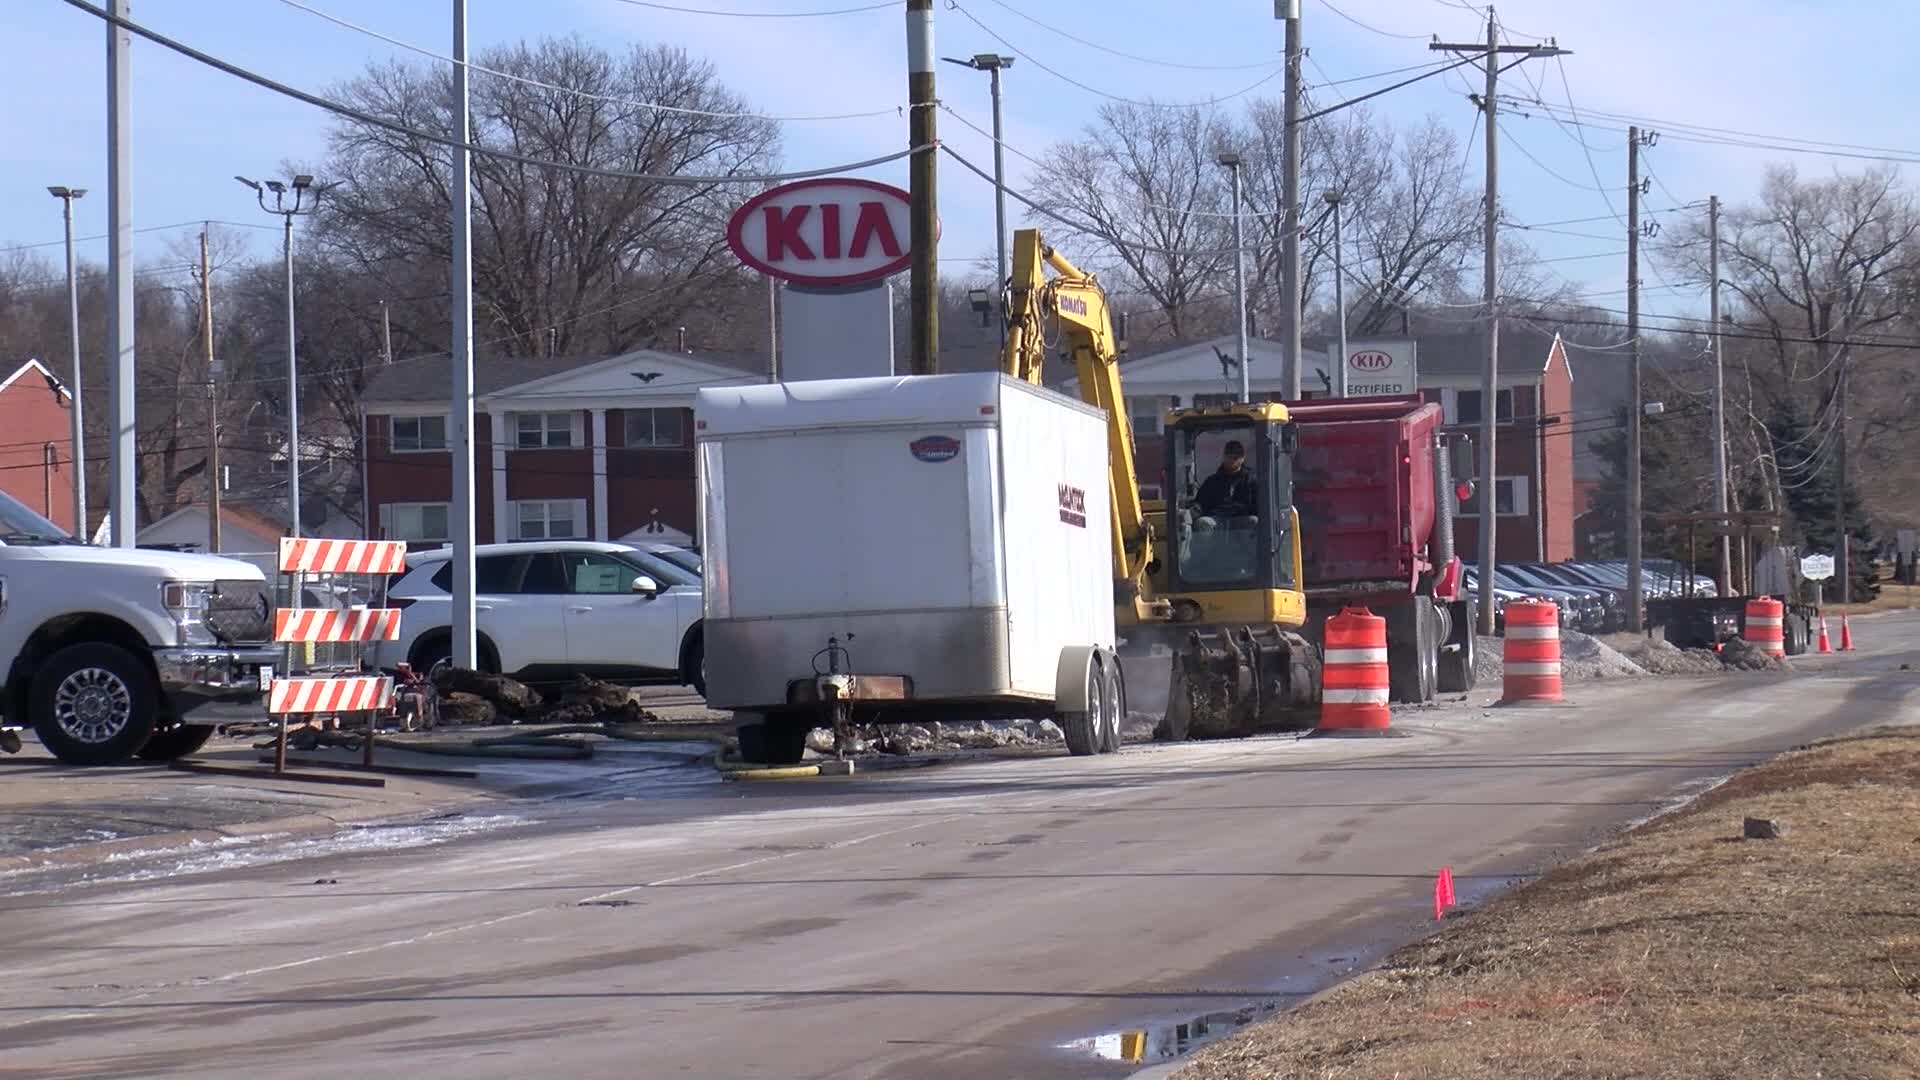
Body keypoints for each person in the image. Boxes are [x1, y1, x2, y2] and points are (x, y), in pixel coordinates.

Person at [1194, 439, 1257, 528]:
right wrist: (1196, 509)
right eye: (1229, 455)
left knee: (1254, 521)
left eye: (1236, 457)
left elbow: (1257, 505)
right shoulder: (1212, 481)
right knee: (1203, 522)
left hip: (1241, 518)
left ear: (1243, 458)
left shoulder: (1251, 480)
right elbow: (1200, 502)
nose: (1232, 459)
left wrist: (1241, 509)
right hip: (1217, 519)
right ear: (1224, 456)